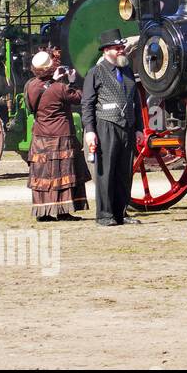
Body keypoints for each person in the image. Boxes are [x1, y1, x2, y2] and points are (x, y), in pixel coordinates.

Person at [81, 30, 142, 226]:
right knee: (105, 172)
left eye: (122, 47)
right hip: (105, 126)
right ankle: (105, 215)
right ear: (107, 50)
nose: (122, 50)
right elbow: (87, 104)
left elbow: (136, 102)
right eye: (118, 48)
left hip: (128, 126)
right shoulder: (95, 73)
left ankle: (121, 213)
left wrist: (139, 128)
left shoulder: (128, 71)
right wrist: (90, 130)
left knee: (124, 173)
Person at [24, 50, 89, 222]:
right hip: (61, 135)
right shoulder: (60, 88)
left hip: (40, 137)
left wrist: (53, 79)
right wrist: (73, 81)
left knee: (43, 176)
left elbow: (32, 105)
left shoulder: (30, 86)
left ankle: (42, 212)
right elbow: (79, 98)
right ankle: (63, 211)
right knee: (62, 175)